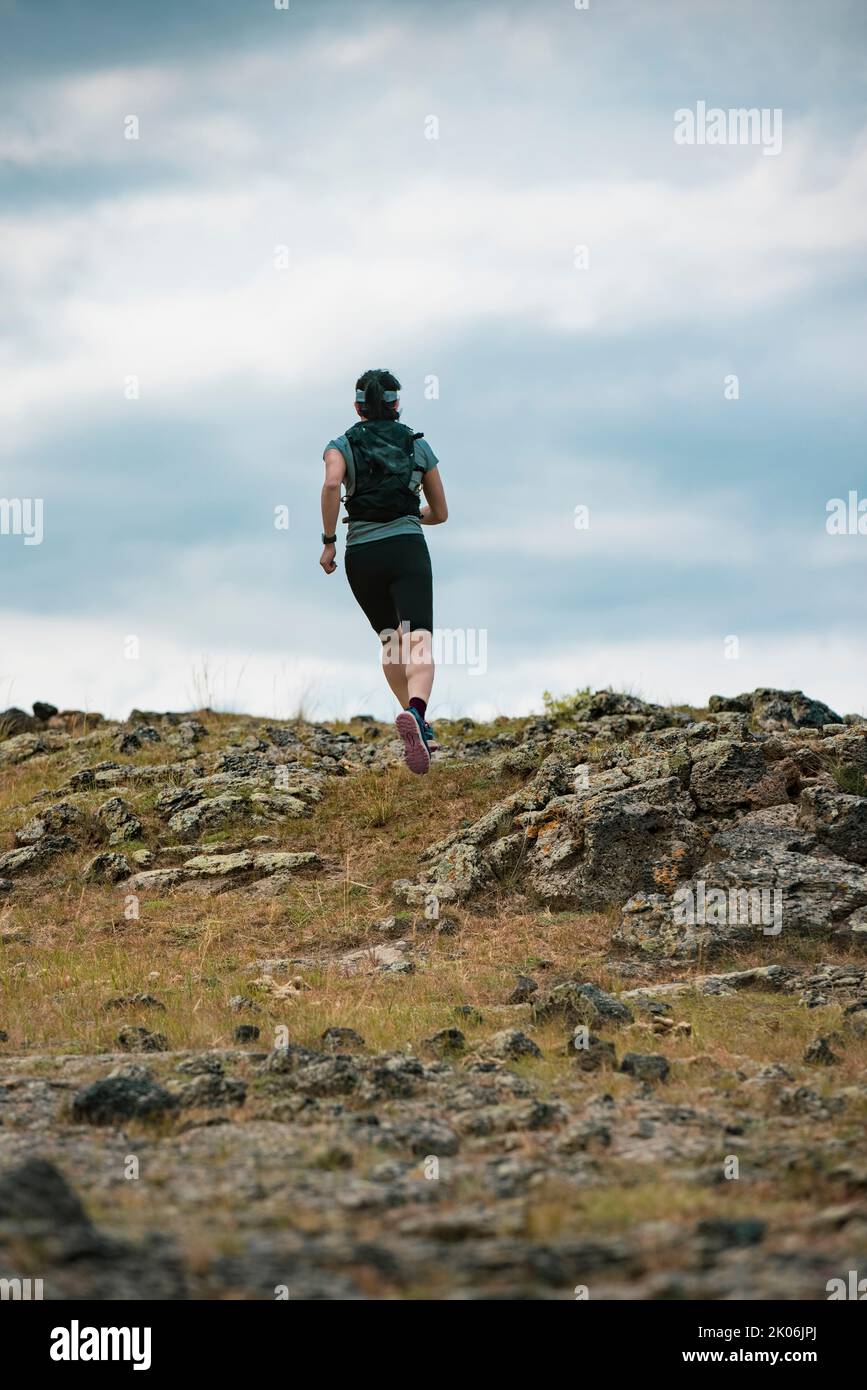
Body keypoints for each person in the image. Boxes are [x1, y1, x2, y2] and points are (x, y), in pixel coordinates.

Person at [320, 368, 448, 774]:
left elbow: (330, 486)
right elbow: (440, 513)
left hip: (361, 555)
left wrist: (328, 541)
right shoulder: (418, 445)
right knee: (419, 642)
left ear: (358, 405)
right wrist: (410, 516)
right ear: (397, 404)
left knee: (391, 640)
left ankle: (417, 726)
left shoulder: (340, 445)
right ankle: (417, 713)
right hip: (407, 549)